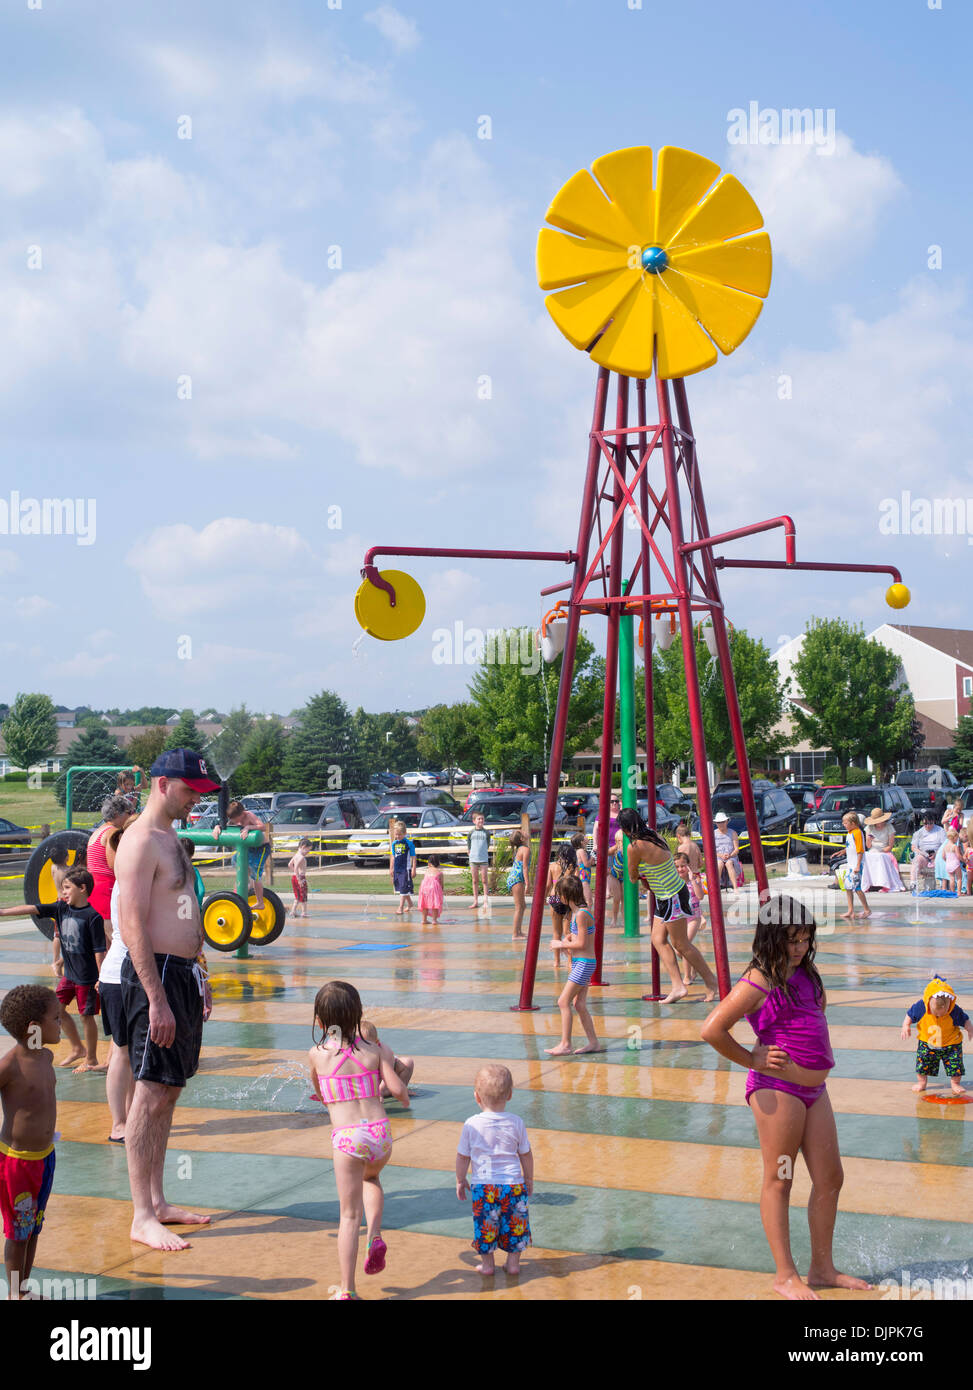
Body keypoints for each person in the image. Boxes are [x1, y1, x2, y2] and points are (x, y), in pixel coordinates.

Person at [701, 896, 872, 1301]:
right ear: (772, 937)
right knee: (780, 1178)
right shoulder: (760, 979)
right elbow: (712, 1030)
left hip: (815, 1091)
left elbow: (814, 1017)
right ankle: (784, 1274)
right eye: (791, 940)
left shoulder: (807, 973)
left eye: (804, 939)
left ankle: (822, 1268)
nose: (798, 947)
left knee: (831, 1178)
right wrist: (752, 1057)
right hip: (778, 1091)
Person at [113, 747, 220, 1250]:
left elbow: (182, 908)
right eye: (190, 791)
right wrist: (155, 997)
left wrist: (198, 973)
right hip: (152, 976)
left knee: (169, 1092)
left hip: (181, 976)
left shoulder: (171, 838)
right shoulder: (139, 842)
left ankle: (157, 1201)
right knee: (149, 1092)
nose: (195, 801)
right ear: (161, 784)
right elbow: (130, 923)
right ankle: (140, 1216)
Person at [308, 981, 409, 1300]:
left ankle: (347, 1289)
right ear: (358, 1013)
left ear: (321, 1022)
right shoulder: (374, 1050)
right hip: (380, 1133)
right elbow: (397, 1090)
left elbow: (323, 1094)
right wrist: (395, 1077)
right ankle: (375, 1235)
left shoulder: (316, 1054)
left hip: (349, 1138)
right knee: (373, 1177)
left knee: (349, 1216)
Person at [0, 868, 107, 1072]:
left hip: (87, 978)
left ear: (82, 888)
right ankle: (77, 1047)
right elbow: (33, 908)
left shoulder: (93, 917)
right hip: (69, 976)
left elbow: (99, 950)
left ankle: (91, 1059)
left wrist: (101, 977)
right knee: (55, 1009)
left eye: (67, 888)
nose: (63, 892)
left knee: (86, 1016)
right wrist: (4, 912)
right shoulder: (60, 908)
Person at [619, 808, 718, 1005]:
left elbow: (631, 877)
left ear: (625, 829)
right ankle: (678, 986)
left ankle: (712, 982)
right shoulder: (654, 835)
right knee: (657, 939)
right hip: (666, 896)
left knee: (681, 944)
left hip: (672, 896)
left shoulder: (634, 847)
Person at [0, 985, 60, 1299]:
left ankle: (24, 1289)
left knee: (33, 1226)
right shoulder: (10, 1066)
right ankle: (14, 1294)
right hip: (17, 1164)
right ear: (34, 1028)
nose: (61, 1022)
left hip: (45, 1157)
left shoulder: (46, 1055)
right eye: (56, 1018)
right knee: (18, 1232)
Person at [455, 1063, 533, 1277]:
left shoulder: (471, 1124)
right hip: (513, 1185)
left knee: (485, 1226)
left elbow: (463, 1156)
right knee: (516, 1225)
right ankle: (513, 1263)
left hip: (484, 1187)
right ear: (510, 1095)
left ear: (477, 1097)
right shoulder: (516, 1122)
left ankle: (488, 1265)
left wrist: (460, 1180)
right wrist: (529, 1178)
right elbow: (525, 1154)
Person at [545, 874, 601, 1056]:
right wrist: (569, 937)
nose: (558, 897)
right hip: (581, 963)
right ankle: (593, 1042)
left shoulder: (582, 915)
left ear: (566, 895)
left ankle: (565, 1044)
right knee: (579, 1005)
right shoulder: (578, 913)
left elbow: (583, 944)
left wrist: (561, 943)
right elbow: (579, 938)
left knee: (563, 1001)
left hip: (584, 964)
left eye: (559, 893)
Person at [901, 975, 972, 1097]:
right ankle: (922, 1082)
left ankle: (955, 1084)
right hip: (927, 1043)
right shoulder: (921, 1007)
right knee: (923, 1064)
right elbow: (909, 1014)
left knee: (955, 1065)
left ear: (949, 1006)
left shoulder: (953, 1010)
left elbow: (965, 1019)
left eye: (942, 1014)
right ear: (928, 1003)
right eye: (936, 1014)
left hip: (951, 1044)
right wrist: (906, 1025)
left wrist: (969, 1029)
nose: (938, 1016)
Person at [214, 801, 270, 913]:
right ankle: (240, 892)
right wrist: (217, 827)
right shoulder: (234, 817)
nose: (235, 822)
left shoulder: (249, 815)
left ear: (242, 813)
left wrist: (248, 827)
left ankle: (260, 903)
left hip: (261, 848)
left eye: (236, 819)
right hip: (249, 847)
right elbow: (226, 826)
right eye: (233, 820)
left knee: (255, 873)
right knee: (235, 860)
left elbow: (263, 827)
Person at [359, 1018, 414, 1098]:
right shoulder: (355, 1054)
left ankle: (401, 1089)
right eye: (359, 1045)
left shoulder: (383, 1053)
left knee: (408, 1062)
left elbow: (388, 1074)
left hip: (389, 1075)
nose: (364, 1049)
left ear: (377, 1042)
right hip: (372, 1080)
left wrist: (380, 1092)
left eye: (367, 1045)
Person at [674, 852, 705, 986]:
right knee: (678, 950)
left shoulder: (695, 880)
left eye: (683, 866)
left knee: (684, 945)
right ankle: (694, 966)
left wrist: (692, 879)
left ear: (688, 866)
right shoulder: (673, 882)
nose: (680, 869)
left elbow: (700, 896)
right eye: (677, 866)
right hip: (681, 918)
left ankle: (687, 977)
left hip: (693, 918)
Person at [862, 807, 904, 892]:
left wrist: (882, 850)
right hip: (873, 850)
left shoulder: (889, 827)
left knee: (880, 857)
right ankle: (868, 883)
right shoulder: (869, 828)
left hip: (885, 851)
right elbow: (868, 846)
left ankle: (885, 884)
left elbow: (890, 846)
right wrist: (869, 839)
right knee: (866, 856)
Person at [840, 812, 870, 920]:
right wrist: (843, 851)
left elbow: (860, 850)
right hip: (851, 864)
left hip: (856, 865)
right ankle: (850, 910)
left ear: (853, 823)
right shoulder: (850, 833)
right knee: (848, 887)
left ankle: (867, 910)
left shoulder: (857, 833)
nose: (844, 824)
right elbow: (851, 847)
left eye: (845, 822)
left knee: (857, 888)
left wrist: (858, 866)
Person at [545, 843, 577, 945]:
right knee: (568, 932)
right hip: (568, 899)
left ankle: (556, 961)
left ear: (559, 855)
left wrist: (543, 899)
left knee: (556, 933)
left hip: (554, 898)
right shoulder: (573, 868)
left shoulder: (552, 866)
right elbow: (577, 884)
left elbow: (548, 885)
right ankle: (570, 960)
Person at [910, 811, 946, 889]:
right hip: (923, 855)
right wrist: (923, 853)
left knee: (941, 860)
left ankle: (942, 885)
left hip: (937, 854)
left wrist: (936, 853)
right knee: (917, 860)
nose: (928, 826)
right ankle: (913, 883)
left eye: (930, 823)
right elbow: (913, 847)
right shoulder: (919, 833)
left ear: (934, 822)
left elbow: (944, 845)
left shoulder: (940, 831)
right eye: (925, 824)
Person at [506, 831, 531, 940]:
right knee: (519, 907)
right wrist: (527, 883)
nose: (526, 832)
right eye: (522, 832)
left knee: (522, 906)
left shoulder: (521, 849)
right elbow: (525, 867)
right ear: (521, 838)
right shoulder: (525, 849)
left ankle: (519, 931)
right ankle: (515, 934)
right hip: (517, 878)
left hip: (515, 877)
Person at [389, 819, 416, 914]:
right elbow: (393, 856)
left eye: (399, 834)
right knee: (401, 888)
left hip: (406, 869)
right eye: (396, 834)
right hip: (397, 869)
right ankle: (410, 903)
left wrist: (413, 869)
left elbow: (413, 857)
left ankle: (400, 907)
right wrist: (391, 868)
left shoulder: (409, 844)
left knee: (404, 888)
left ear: (405, 833)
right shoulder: (394, 843)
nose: (397, 836)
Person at [467, 812, 491, 912]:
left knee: (484, 880)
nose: (481, 820)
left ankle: (485, 901)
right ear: (474, 821)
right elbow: (469, 843)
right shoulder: (471, 832)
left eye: (482, 819)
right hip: (473, 859)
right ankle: (475, 901)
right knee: (475, 880)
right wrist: (470, 852)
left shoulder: (486, 833)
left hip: (483, 859)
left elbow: (488, 844)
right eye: (478, 819)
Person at [713, 811, 742, 891]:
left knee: (729, 863)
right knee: (719, 864)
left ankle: (735, 887)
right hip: (718, 857)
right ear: (716, 823)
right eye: (719, 822)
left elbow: (736, 849)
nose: (721, 824)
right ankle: (716, 887)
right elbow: (712, 851)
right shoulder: (713, 834)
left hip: (731, 856)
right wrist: (720, 855)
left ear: (727, 822)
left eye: (723, 822)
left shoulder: (733, 833)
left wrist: (730, 855)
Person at [675, 821, 703, 902]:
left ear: (678, 836)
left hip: (686, 876)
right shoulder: (695, 846)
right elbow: (701, 863)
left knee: (685, 899)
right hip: (696, 875)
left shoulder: (681, 848)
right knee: (696, 899)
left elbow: (679, 863)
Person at [288, 838, 311, 919]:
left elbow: (290, 864)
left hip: (294, 877)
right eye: (308, 849)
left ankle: (293, 911)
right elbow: (296, 867)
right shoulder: (301, 857)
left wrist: (295, 874)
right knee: (303, 895)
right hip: (300, 877)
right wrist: (299, 879)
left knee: (297, 896)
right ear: (304, 847)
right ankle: (304, 912)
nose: (308, 852)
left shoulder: (296, 855)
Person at [418, 854, 444, 925]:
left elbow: (425, 880)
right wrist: (441, 892)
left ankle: (424, 920)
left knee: (424, 904)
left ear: (429, 863)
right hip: (433, 890)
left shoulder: (427, 871)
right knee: (435, 904)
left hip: (424, 889)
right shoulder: (439, 873)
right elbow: (441, 885)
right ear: (438, 863)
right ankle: (434, 920)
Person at [608, 828, 625, 928]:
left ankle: (623, 920)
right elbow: (607, 852)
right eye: (617, 841)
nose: (619, 843)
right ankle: (614, 919)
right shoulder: (616, 848)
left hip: (624, 876)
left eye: (621, 841)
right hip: (614, 875)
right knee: (616, 899)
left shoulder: (628, 848)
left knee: (624, 899)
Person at [570, 831, 591, 907]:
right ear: (582, 842)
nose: (587, 837)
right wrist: (591, 860)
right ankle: (587, 917)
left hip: (583, 878)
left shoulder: (580, 851)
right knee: (589, 901)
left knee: (583, 900)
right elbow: (586, 864)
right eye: (585, 836)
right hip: (584, 878)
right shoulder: (581, 851)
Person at [943, 829, 965, 895]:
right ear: (954, 837)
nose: (957, 840)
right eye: (956, 838)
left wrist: (947, 861)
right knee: (959, 878)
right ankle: (958, 892)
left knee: (951, 878)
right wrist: (964, 860)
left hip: (948, 864)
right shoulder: (954, 846)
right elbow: (958, 856)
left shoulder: (945, 846)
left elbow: (943, 856)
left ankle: (952, 892)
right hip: (955, 864)